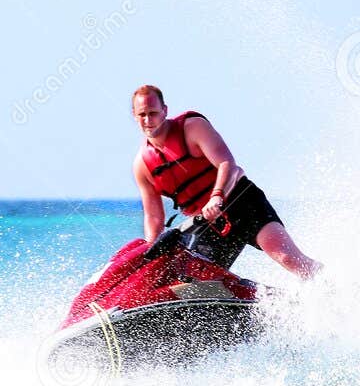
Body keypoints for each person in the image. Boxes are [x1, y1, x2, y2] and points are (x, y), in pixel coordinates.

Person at [130, 84, 320, 278]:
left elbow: (226, 163)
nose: (148, 120)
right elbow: (153, 217)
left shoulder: (192, 128)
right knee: (196, 282)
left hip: (241, 202)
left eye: (153, 113)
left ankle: (337, 286)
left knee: (288, 258)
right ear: (134, 115)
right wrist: (149, 253)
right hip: (206, 225)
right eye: (142, 115)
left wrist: (216, 196)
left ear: (165, 110)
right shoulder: (142, 166)